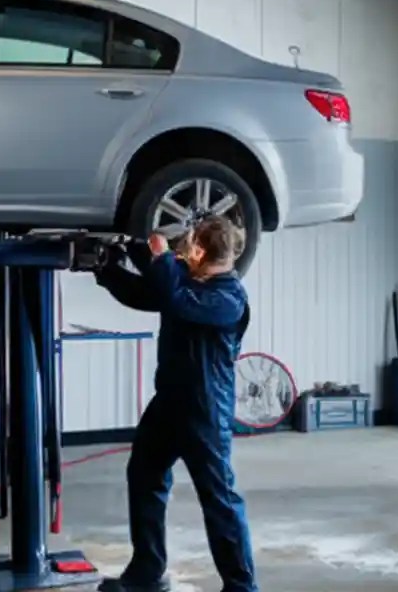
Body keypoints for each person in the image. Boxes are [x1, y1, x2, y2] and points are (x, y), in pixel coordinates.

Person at [94, 215, 257, 592]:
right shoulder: (188, 281)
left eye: (188, 247)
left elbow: (175, 297)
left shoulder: (228, 297)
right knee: (145, 476)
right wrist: (108, 267)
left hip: (204, 412)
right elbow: (147, 293)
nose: (183, 252)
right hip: (168, 403)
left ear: (200, 250)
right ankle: (147, 572)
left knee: (219, 499)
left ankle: (242, 587)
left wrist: (161, 256)